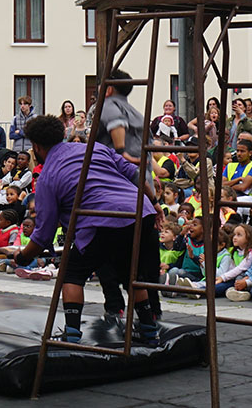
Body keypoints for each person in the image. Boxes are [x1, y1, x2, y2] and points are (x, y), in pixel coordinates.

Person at [14, 114, 160, 346]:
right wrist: (154, 202)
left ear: (36, 147)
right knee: (131, 273)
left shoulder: (47, 177)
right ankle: (149, 329)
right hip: (140, 212)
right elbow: (134, 173)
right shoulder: (95, 148)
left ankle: (72, 332)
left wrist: (22, 257)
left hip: (102, 219)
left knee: (72, 274)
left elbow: (43, 234)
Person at [98, 70, 145, 163]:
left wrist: (122, 152)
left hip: (116, 165)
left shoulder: (107, 104)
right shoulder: (134, 112)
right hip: (139, 165)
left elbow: (116, 123)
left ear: (109, 90)